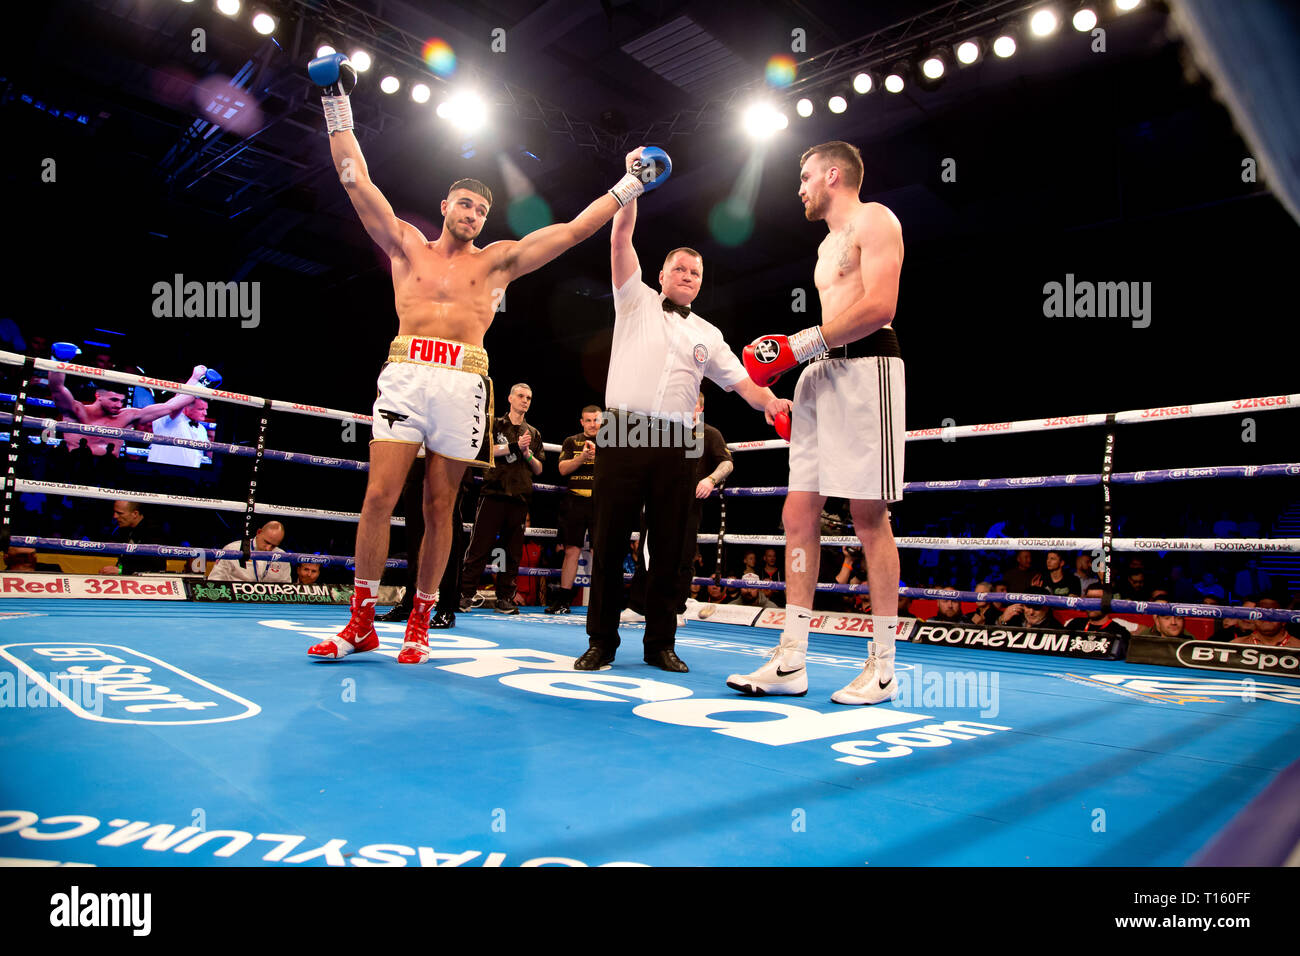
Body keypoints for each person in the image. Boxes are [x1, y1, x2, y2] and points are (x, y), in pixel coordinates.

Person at [303, 52, 667, 663]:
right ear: (445, 206)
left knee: (439, 504)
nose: (472, 215)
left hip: (464, 381)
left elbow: (575, 230)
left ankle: (420, 621)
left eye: (481, 210)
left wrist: (631, 182)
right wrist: (335, 99)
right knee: (377, 498)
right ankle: (360, 621)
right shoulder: (405, 247)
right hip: (406, 374)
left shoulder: (498, 260)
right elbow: (354, 180)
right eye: (464, 205)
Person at [575, 147, 788, 674]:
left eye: (695, 271)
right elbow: (620, 237)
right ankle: (600, 641)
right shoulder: (634, 298)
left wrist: (772, 402)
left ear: (700, 280)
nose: (687, 275)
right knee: (608, 540)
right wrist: (632, 183)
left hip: (678, 440)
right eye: (679, 268)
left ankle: (660, 644)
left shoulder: (708, 334)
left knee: (669, 548)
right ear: (664, 274)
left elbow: (741, 381)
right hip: (623, 430)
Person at [726, 140, 905, 705]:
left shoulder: (875, 220)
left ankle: (882, 667)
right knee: (797, 512)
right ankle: (792, 658)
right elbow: (833, 321)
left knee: (867, 515)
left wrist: (801, 343)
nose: (800, 188)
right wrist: (794, 356)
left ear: (833, 174)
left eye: (805, 177)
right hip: (822, 377)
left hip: (868, 369)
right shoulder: (826, 246)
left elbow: (879, 307)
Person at [622, 389, 734, 622]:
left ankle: (676, 609)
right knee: (646, 552)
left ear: (700, 408)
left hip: (687, 505)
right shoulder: (666, 431)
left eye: (691, 404)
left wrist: (710, 479)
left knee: (682, 557)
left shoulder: (710, 433)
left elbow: (727, 464)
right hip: (656, 501)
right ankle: (637, 606)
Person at [458, 384, 545, 615]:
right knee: (479, 546)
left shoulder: (533, 433)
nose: (525, 400)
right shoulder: (494, 424)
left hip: (519, 497)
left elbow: (538, 469)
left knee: (511, 552)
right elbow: (484, 450)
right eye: (520, 396)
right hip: (493, 493)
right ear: (510, 398)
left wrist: (527, 455)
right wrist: (515, 447)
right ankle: (465, 594)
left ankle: (505, 598)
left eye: (528, 397)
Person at [548, 405, 602, 614]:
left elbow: (621, 472)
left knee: (600, 552)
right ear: (581, 422)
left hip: (600, 502)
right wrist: (581, 458)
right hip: (575, 501)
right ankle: (563, 600)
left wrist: (598, 456)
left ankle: (599, 602)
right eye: (588, 420)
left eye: (596, 420)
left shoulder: (611, 442)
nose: (592, 424)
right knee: (571, 551)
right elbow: (562, 469)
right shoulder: (572, 441)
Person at [208, 521, 290, 582]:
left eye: (274, 545)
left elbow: (287, 587)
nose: (268, 548)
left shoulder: (282, 556)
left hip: (268, 603)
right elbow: (215, 579)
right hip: (237, 602)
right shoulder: (233, 549)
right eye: (267, 542)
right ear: (259, 532)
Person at [102, 501, 166, 575]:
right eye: (115, 512)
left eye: (120, 513)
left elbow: (156, 567)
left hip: (145, 584)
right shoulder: (123, 529)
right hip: (127, 581)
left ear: (135, 514)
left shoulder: (152, 532)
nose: (115, 516)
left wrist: (121, 571)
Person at [146, 398, 210, 468]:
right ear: (186, 407)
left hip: (188, 474)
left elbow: (208, 451)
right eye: (201, 409)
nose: (205, 413)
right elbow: (174, 406)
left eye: (206, 409)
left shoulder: (201, 429)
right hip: (161, 471)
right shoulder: (171, 419)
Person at [1231, 593, 1300, 647]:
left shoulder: (1297, 646)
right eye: (1261, 613)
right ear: (1254, 619)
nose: (1266, 617)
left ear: (1284, 620)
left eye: (1272, 613)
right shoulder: (1237, 644)